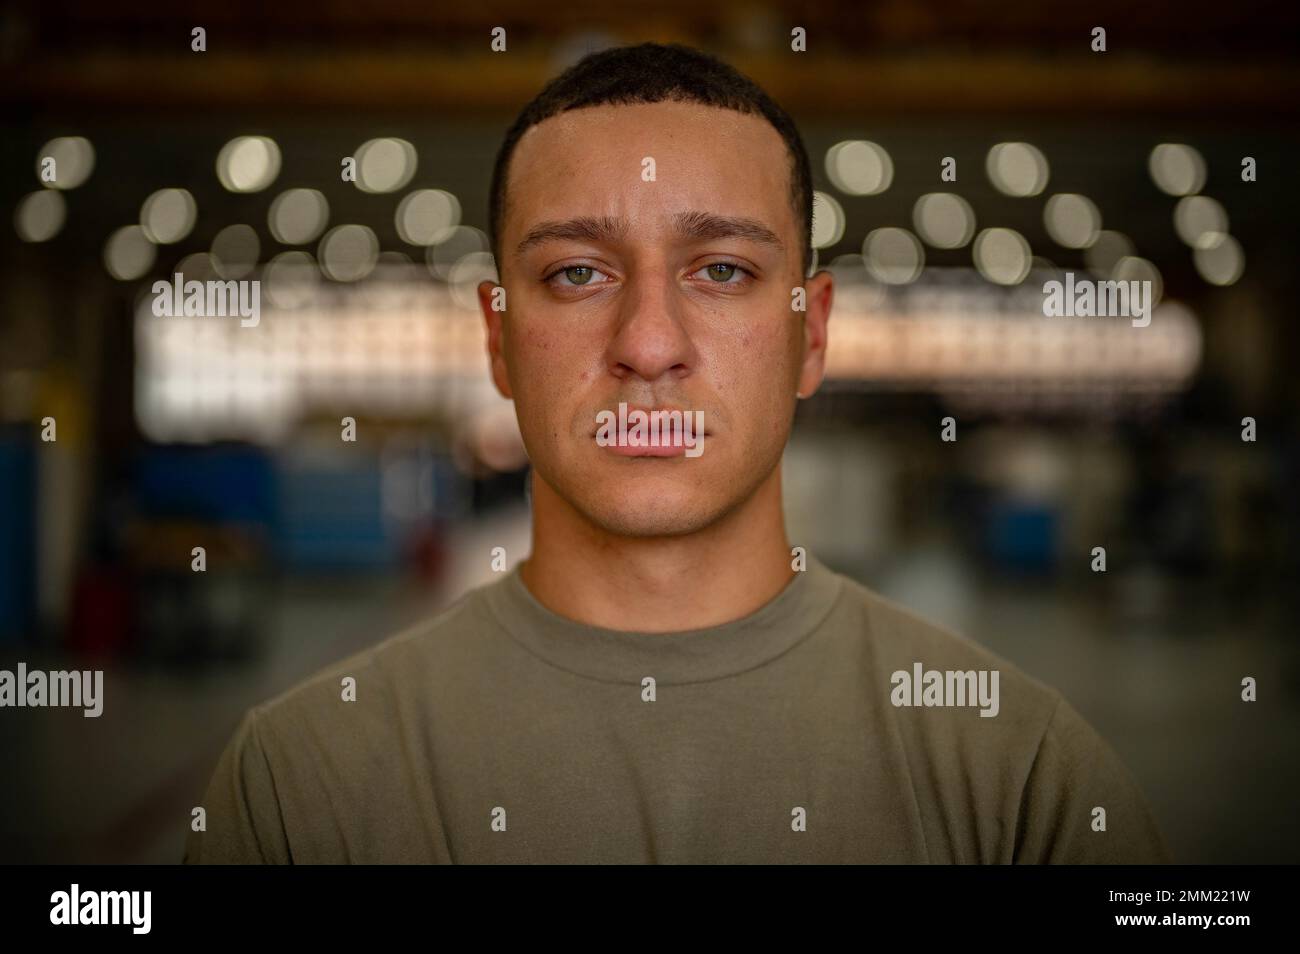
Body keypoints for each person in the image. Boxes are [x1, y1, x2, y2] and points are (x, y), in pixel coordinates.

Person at [185, 42, 1169, 864]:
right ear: (496, 338)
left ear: (811, 335)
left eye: (723, 271)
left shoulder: (1024, 783)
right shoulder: (293, 791)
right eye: (575, 272)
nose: (648, 343)